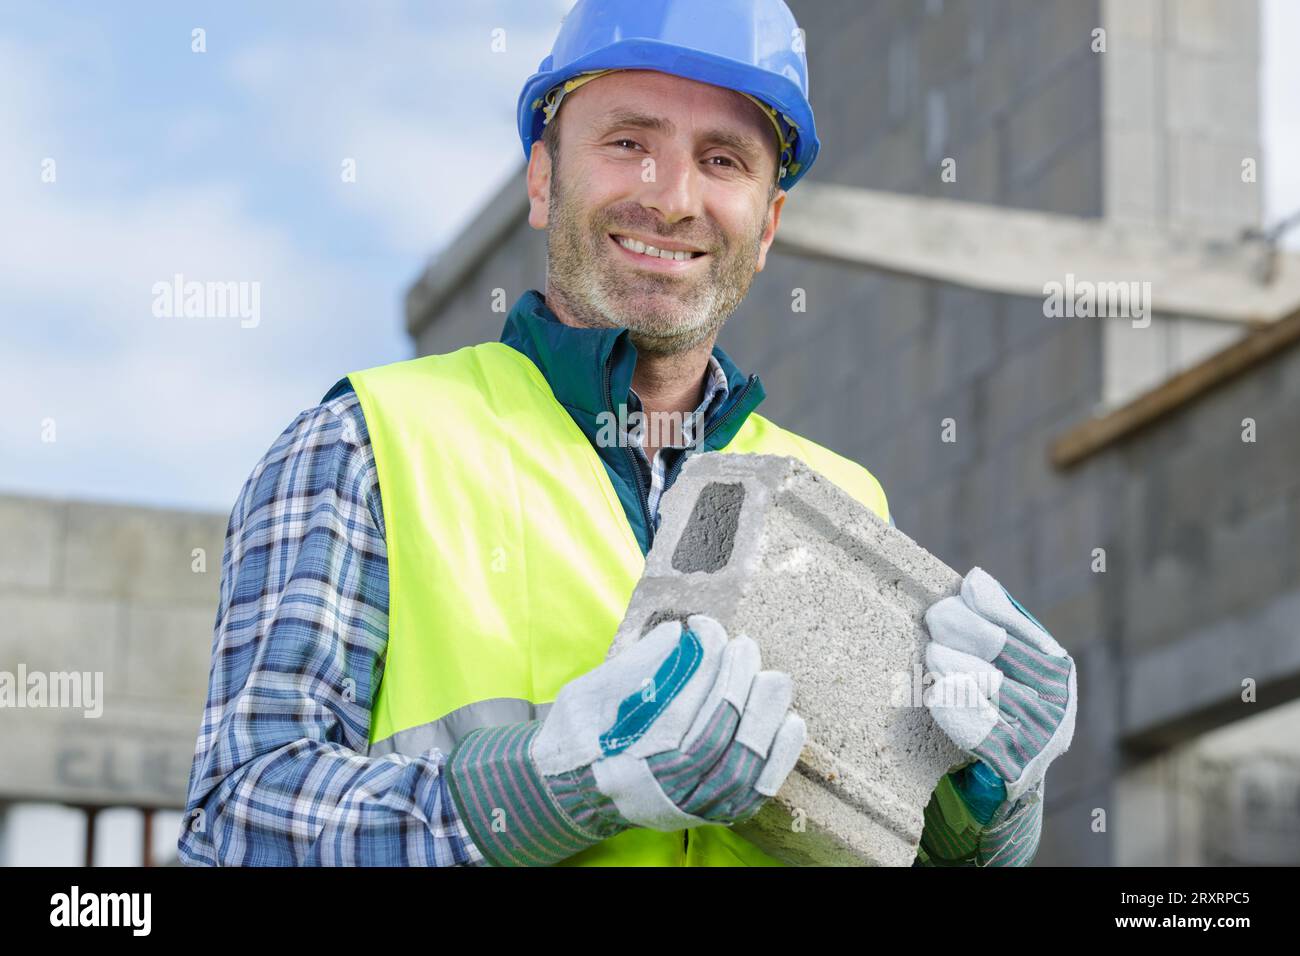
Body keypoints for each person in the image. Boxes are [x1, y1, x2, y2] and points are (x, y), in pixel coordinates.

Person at [178, 0, 1075, 867]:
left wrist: (982, 818)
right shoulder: (367, 448)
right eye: (628, 143)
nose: (674, 197)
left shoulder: (842, 503)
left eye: (723, 160)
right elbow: (240, 822)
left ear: (766, 225)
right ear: (543, 179)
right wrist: (547, 785)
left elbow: (876, 847)